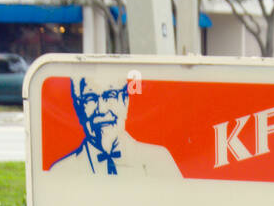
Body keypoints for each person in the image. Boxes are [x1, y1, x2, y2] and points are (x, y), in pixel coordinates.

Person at [52, 76, 180, 177]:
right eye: (90, 98)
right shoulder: (61, 172)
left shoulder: (160, 160)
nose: (101, 109)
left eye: (110, 95)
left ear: (125, 101)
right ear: (78, 109)